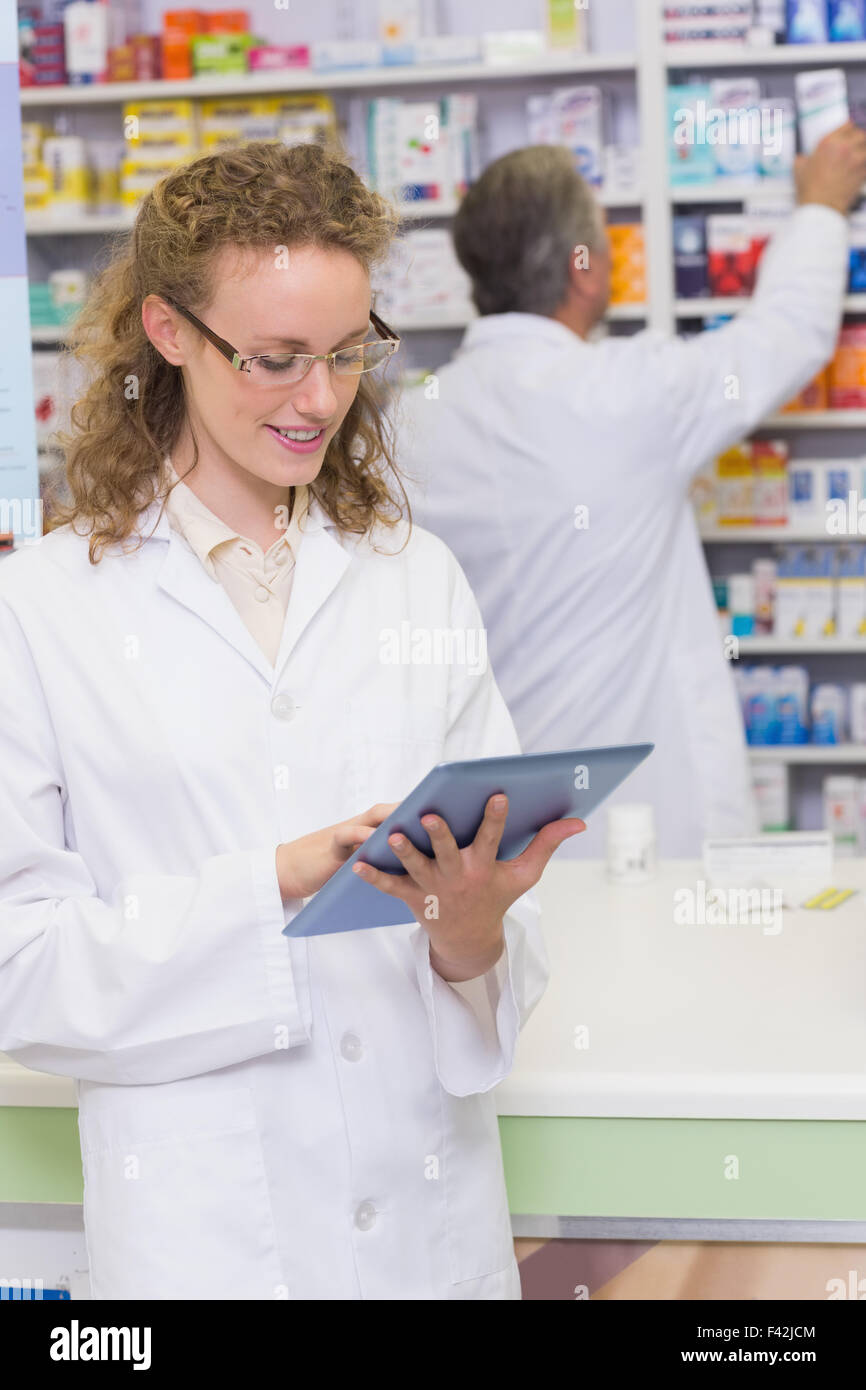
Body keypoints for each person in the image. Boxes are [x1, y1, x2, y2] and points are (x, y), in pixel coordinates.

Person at [0, 141, 584, 1300]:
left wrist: (465, 930)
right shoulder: (43, 606)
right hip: (205, 1246)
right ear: (169, 332)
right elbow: (23, 970)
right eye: (272, 360)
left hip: (428, 1238)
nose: (318, 399)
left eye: (343, 352)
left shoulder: (415, 577)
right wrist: (271, 877)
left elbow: (481, 953)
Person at [397, 125, 866, 858]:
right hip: (646, 824)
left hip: (490, 832)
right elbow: (783, 336)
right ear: (583, 272)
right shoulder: (629, 393)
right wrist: (821, 207)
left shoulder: (408, 420)